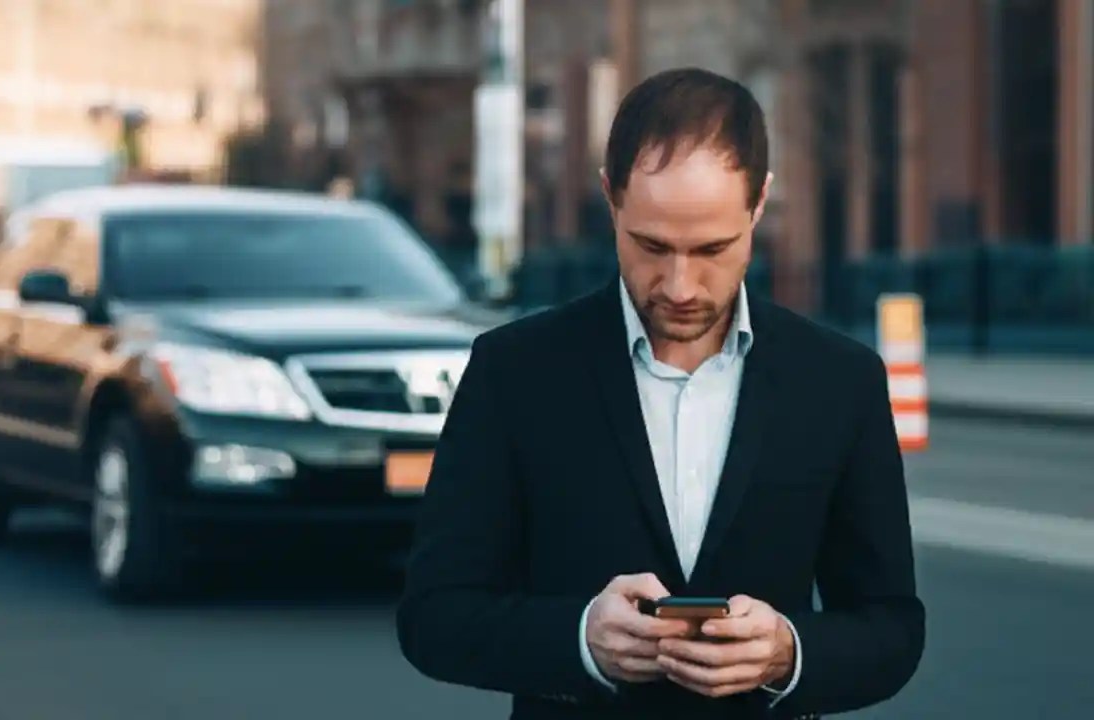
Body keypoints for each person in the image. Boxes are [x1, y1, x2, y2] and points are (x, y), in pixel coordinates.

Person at [396, 67, 925, 720]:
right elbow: (433, 615)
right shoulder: (515, 371)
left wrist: (788, 652)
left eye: (712, 249)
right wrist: (581, 639)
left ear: (759, 204)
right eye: (650, 246)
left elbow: (893, 628)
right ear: (610, 199)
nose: (678, 285)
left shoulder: (840, 381)